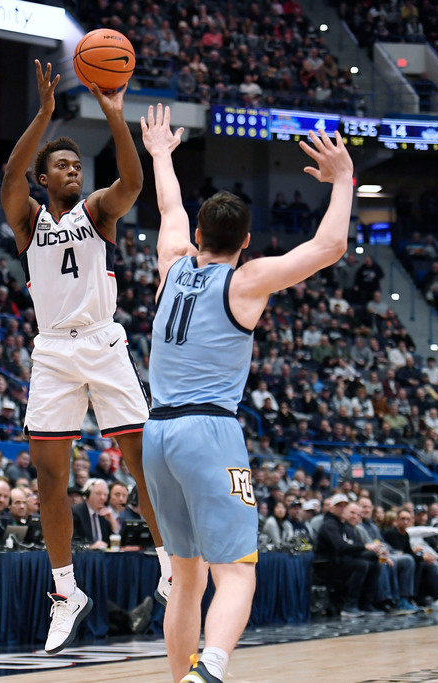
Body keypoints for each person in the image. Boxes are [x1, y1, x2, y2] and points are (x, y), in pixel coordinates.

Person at [139, 104, 353, 683]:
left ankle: (181, 678)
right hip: (210, 432)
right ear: (248, 241)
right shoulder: (247, 280)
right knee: (236, 572)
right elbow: (330, 246)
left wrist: (161, 154)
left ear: (200, 235)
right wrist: (344, 180)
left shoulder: (171, 265)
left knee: (187, 578)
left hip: (155, 434)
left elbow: (168, 207)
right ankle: (210, 670)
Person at [1, 60, 166, 655]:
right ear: (45, 177)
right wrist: (44, 115)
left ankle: (170, 563)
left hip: (101, 342)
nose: (73, 170)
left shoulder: (99, 211)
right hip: (52, 351)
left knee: (141, 462)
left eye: (77, 165)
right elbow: (9, 174)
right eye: (62, 165)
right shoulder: (28, 220)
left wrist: (116, 116)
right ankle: (66, 590)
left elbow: (132, 182)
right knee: (49, 475)